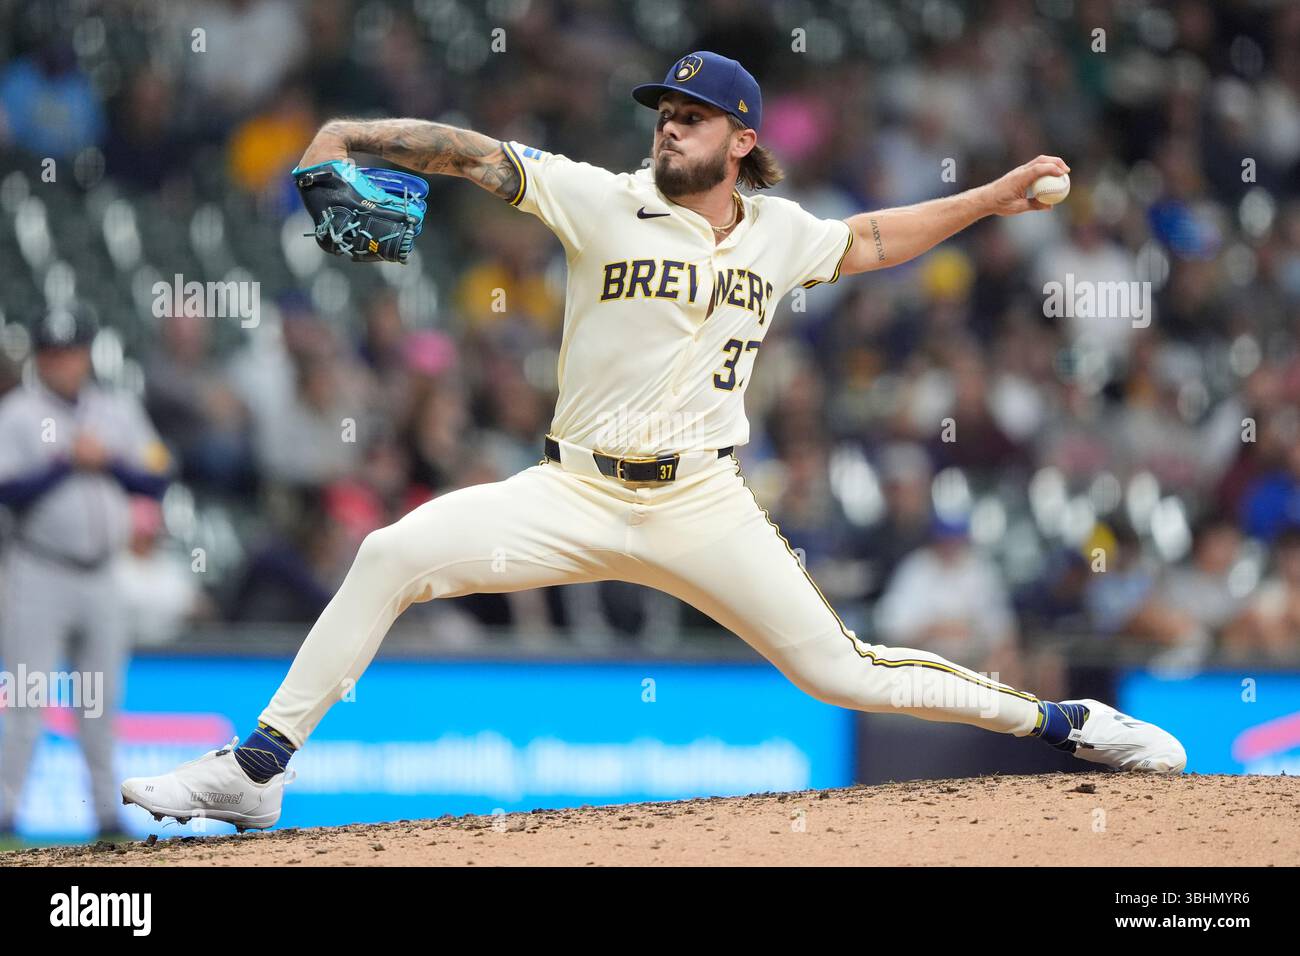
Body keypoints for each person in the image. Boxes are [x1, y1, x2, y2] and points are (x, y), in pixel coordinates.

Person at [122, 52, 1185, 833]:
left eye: (691, 117)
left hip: (700, 505)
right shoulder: (601, 199)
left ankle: (1067, 719)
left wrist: (995, 196)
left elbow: (870, 237)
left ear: (743, 142)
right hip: (572, 491)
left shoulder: (780, 233)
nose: (667, 129)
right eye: (663, 113)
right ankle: (261, 763)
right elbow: (476, 156)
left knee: (844, 673)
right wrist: (353, 133)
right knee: (390, 552)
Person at [0, 306, 171, 840]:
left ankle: (104, 814)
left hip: (102, 575)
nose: (63, 361)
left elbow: (158, 476)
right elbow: (5, 489)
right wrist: (65, 462)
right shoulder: (19, 413)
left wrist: (109, 462)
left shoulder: (113, 408)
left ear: (86, 354)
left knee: (101, 702)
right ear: (41, 357)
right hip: (38, 570)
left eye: (71, 351)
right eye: (53, 352)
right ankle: (5, 813)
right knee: (27, 701)